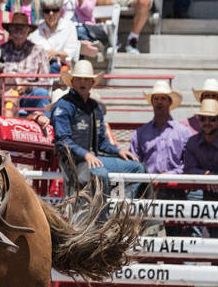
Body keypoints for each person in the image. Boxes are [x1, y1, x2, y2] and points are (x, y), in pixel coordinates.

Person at [54, 59, 144, 191]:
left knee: (137, 168)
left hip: (93, 159)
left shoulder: (95, 108)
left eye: (86, 79)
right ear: (73, 82)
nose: (83, 82)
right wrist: (85, 154)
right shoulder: (64, 106)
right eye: (79, 79)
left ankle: (122, 209)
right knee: (101, 174)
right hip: (74, 161)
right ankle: (101, 211)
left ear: (92, 83)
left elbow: (101, 141)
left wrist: (118, 151)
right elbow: (62, 140)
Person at [131, 80, 193, 175]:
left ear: (170, 102)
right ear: (152, 102)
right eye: (156, 98)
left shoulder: (183, 133)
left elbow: (190, 163)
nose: (159, 102)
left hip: (176, 186)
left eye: (163, 98)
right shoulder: (139, 133)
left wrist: (172, 174)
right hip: (148, 186)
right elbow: (134, 162)